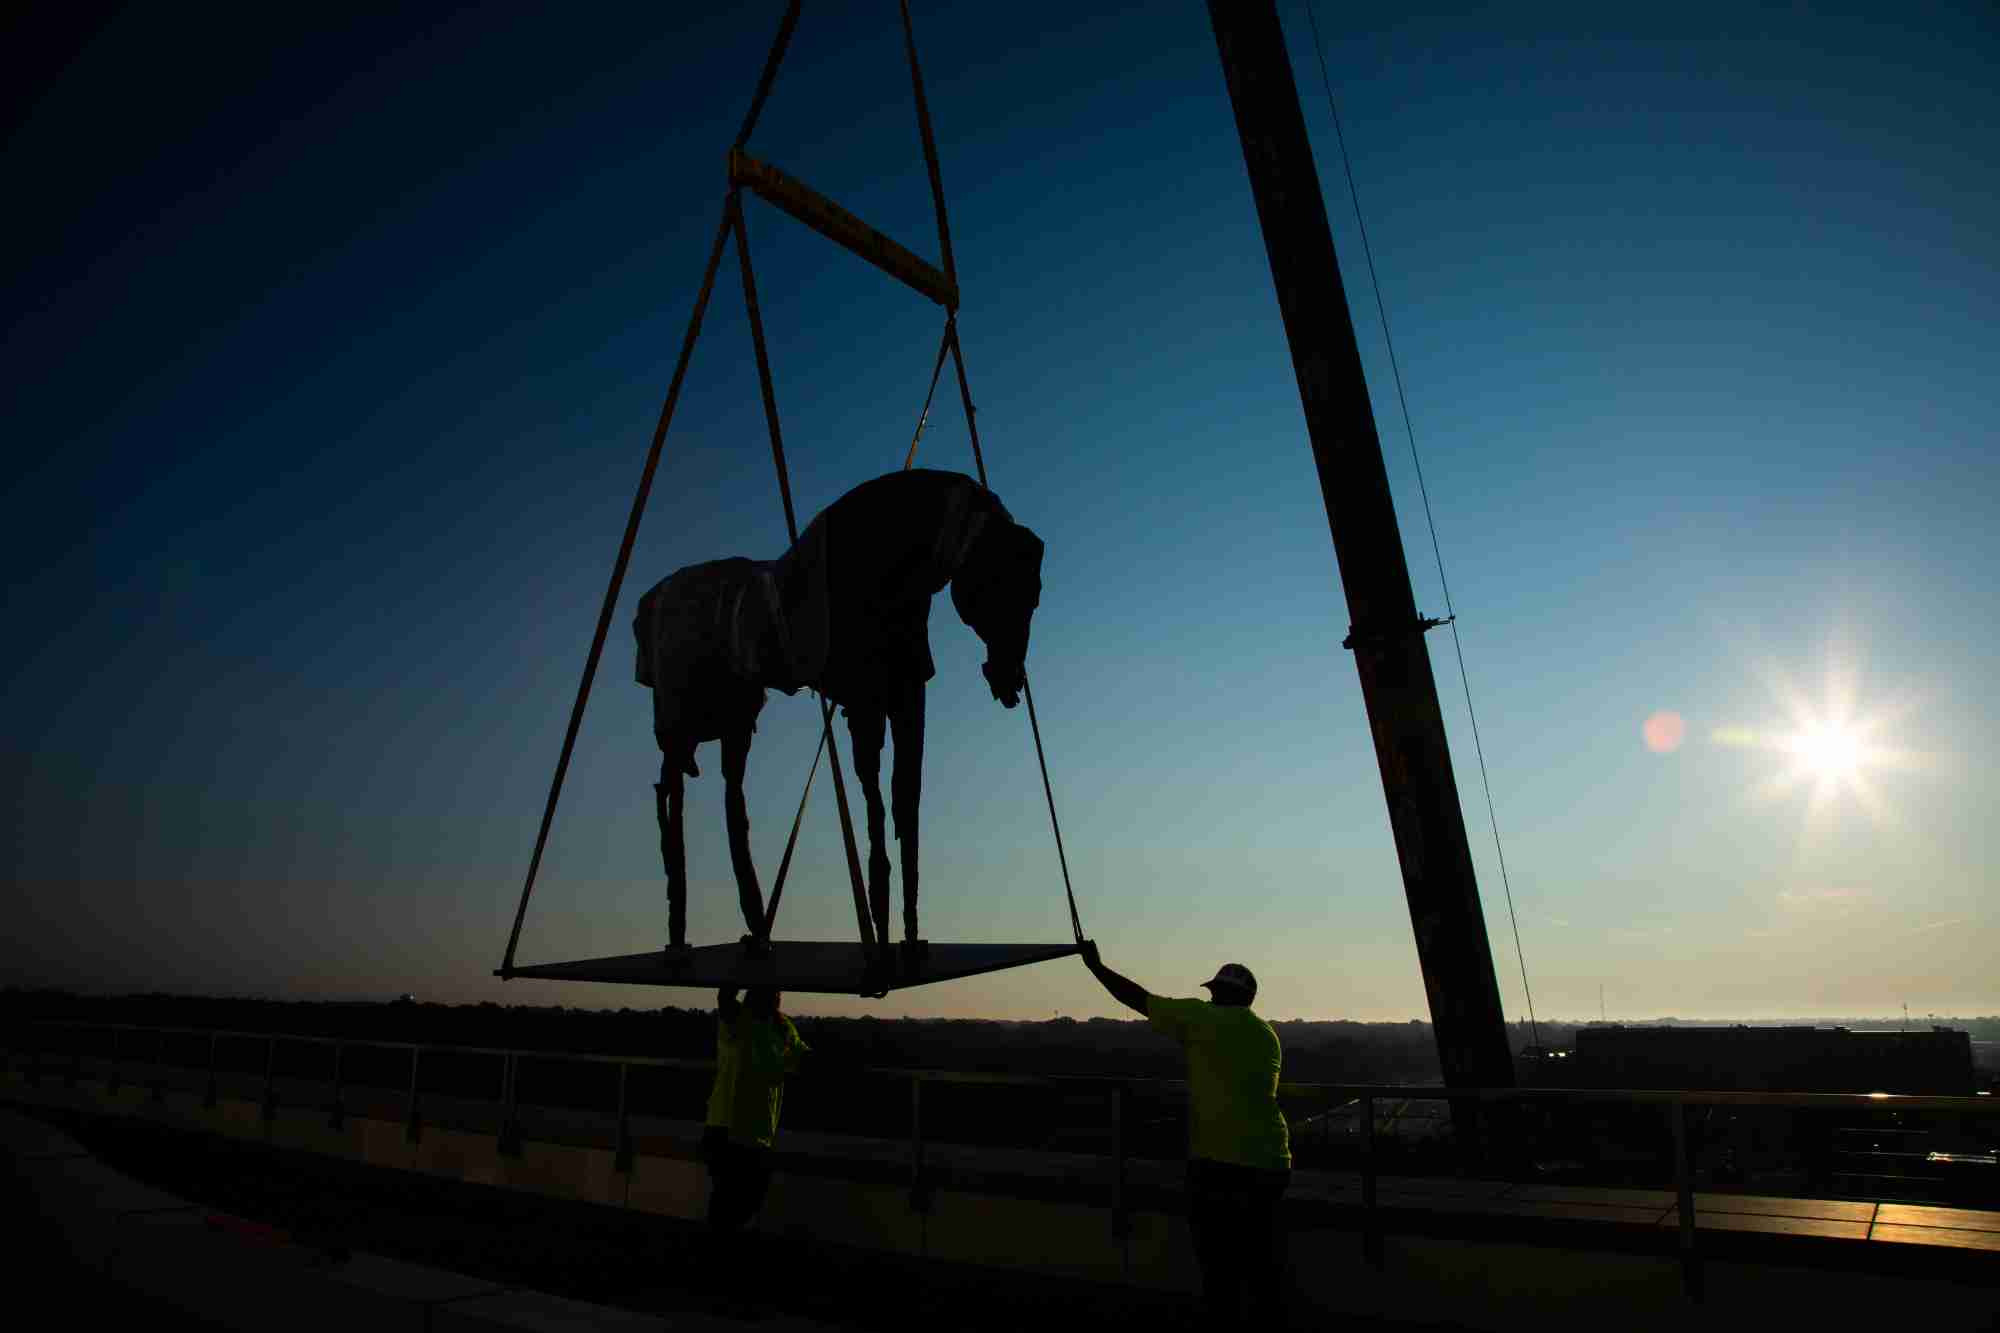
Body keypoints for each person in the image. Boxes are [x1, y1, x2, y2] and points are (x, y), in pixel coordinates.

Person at [1080, 940, 1291, 1328]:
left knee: (1218, 1267)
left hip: (1218, 1163)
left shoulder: (1200, 1019)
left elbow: (1137, 999)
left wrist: (1095, 966)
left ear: (1221, 995)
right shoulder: (1267, 1035)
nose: (1211, 999)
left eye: (1215, 992)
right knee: (1263, 1263)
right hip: (1271, 1161)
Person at [702, 985, 808, 1239]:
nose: (776, 994)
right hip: (727, 1128)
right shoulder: (738, 1020)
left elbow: (801, 1054)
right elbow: (725, 998)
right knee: (728, 1208)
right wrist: (744, 965)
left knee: (745, 1205)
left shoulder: (781, 1026)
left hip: (757, 1132)